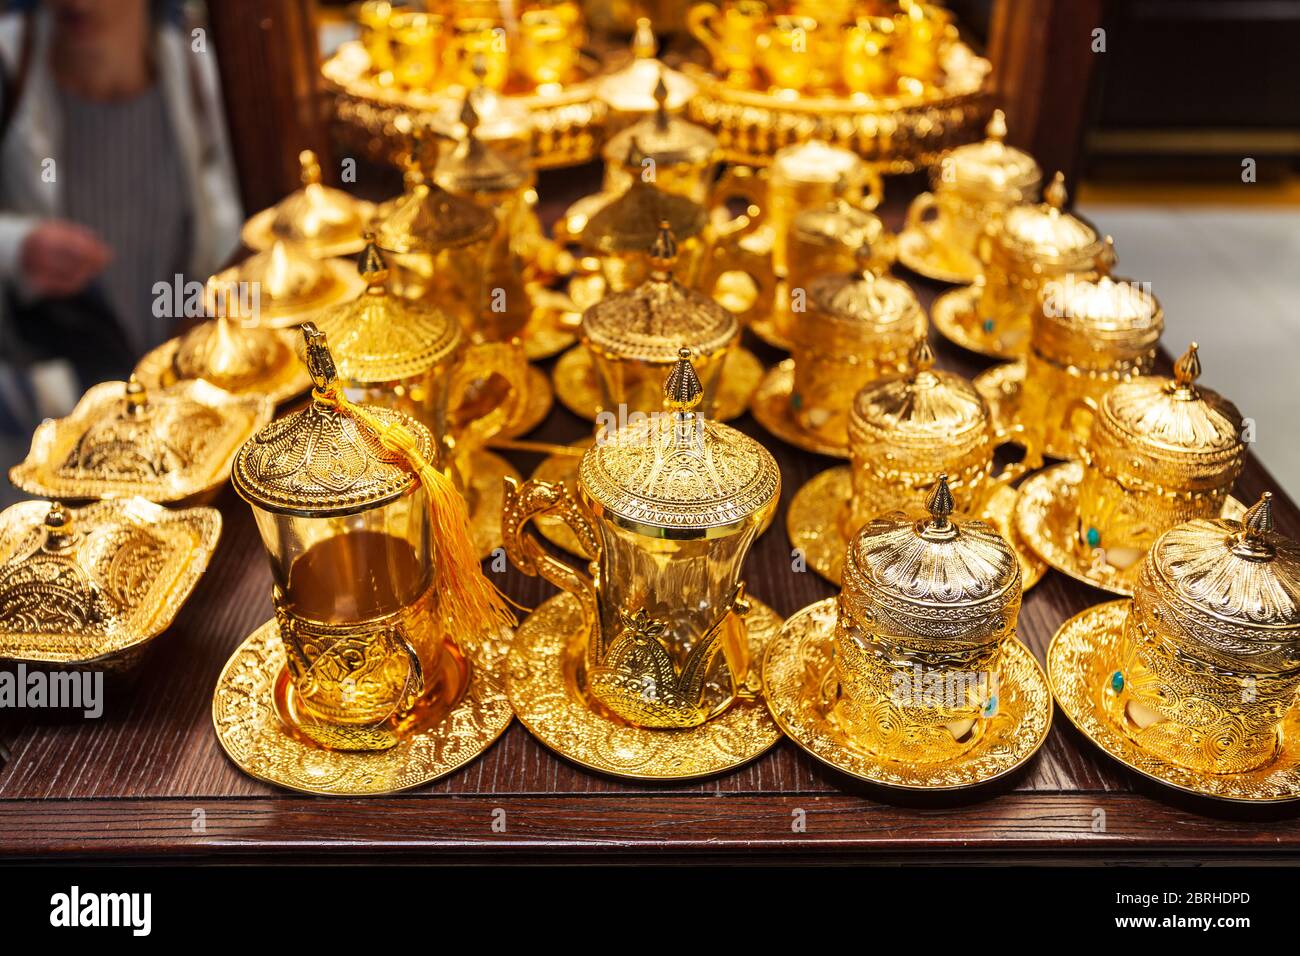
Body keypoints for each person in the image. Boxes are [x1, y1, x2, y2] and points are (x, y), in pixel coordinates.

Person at [0, 0, 242, 445]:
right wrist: (16, 247)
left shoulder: (195, 68)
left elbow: (223, 220)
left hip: (179, 400)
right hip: (46, 417)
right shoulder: (11, 63)